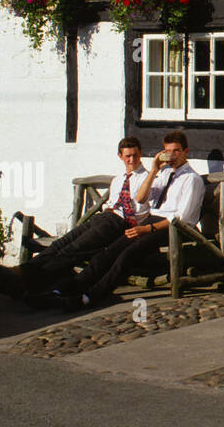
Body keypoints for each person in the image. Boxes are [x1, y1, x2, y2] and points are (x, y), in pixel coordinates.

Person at [36, 131, 205, 312]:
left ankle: (89, 297)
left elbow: (181, 219)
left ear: (186, 151)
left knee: (127, 255)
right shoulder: (163, 175)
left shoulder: (192, 180)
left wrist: (147, 229)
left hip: (171, 228)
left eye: (176, 151)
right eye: (167, 151)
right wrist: (155, 169)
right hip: (151, 223)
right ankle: (64, 289)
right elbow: (141, 199)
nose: (171, 156)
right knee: (108, 253)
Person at [0, 137, 150, 299]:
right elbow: (113, 203)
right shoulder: (119, 179)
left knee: (73, 250)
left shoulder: (147, 178)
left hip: (121, 223)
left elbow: (144, 207)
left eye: (135, 155)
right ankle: (20, 272)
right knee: (61, 244)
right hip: (105, 217)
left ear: (141, 153)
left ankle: (26, 282)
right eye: (128, 156)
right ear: (121, 156)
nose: (132, 159)